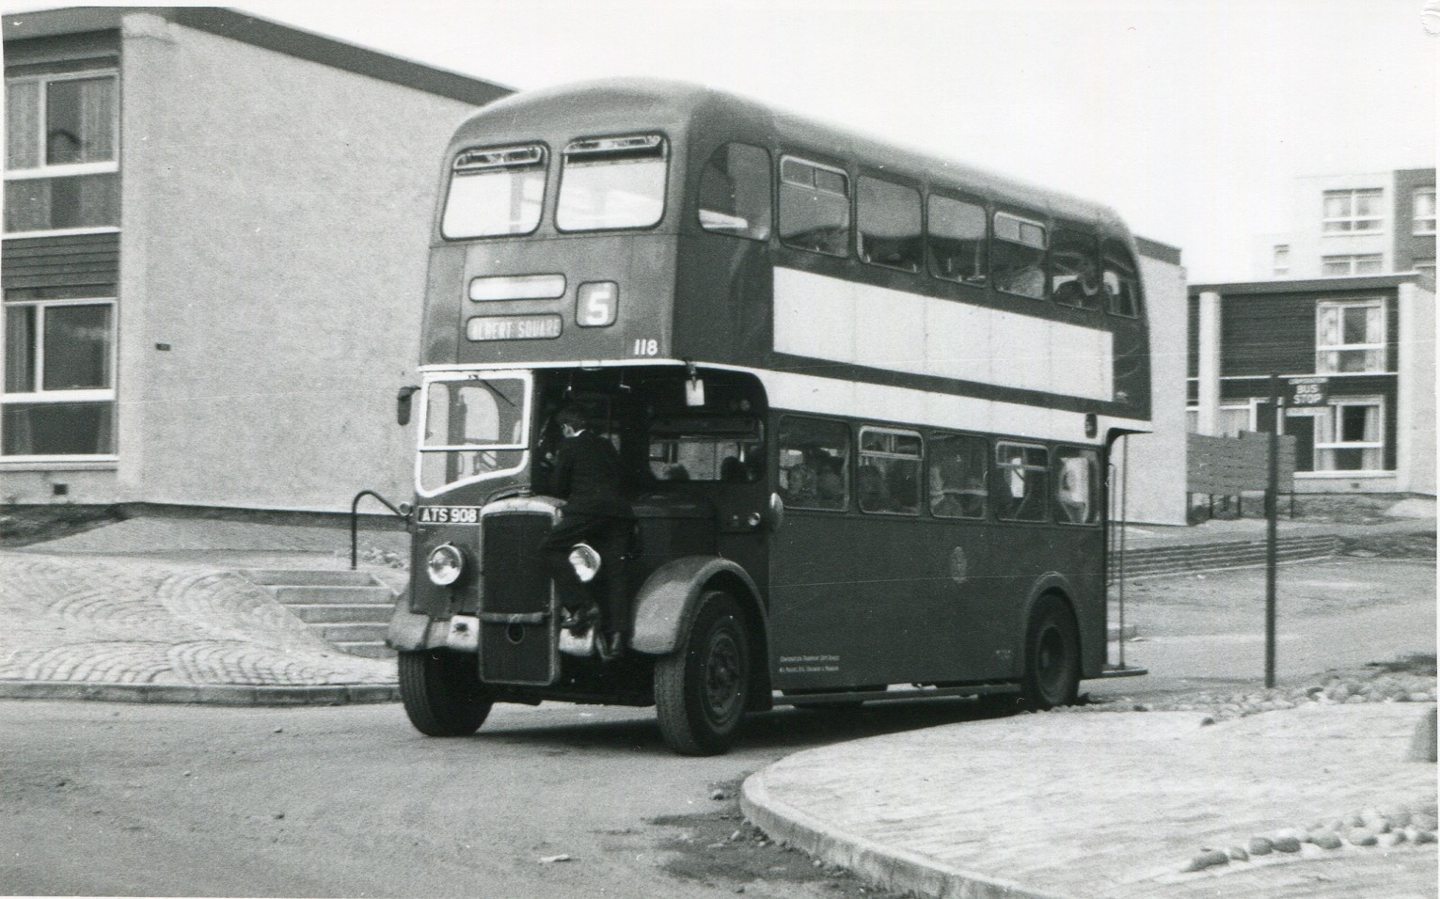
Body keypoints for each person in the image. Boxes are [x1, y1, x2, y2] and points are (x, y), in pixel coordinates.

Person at [541, 405, 635, 658]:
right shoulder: (605, 444)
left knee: (549, 549)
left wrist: (553, 464)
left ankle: (581, 606)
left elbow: (558, 487)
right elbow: (621, 476)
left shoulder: (569, 446)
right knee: (617, 572)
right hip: (619, 513)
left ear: (566, 428)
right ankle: (617, 636)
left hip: (587, 510)